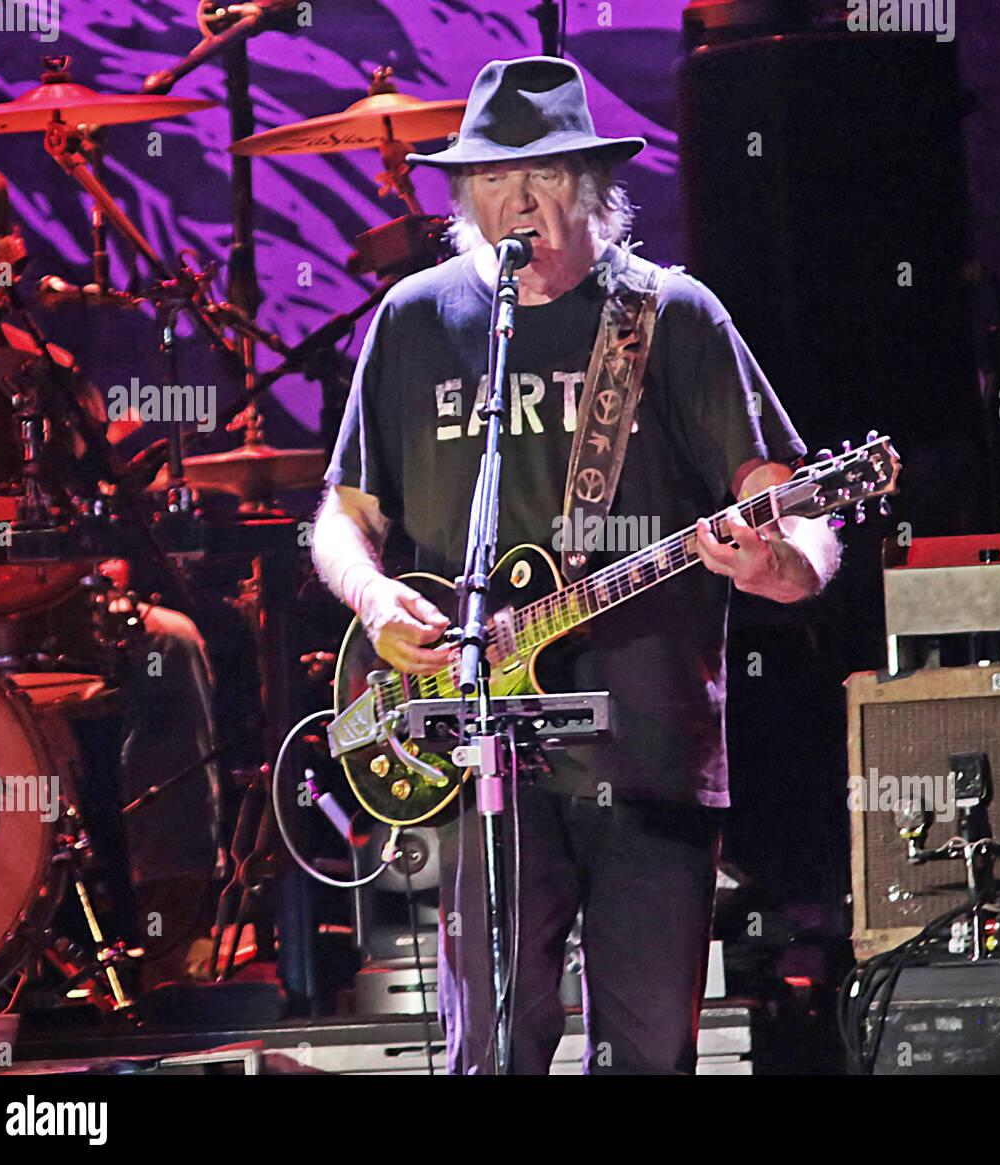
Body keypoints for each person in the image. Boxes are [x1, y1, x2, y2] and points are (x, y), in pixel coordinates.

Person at [313, 56, 839, 1074]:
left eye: (548, 176)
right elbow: (340, 515)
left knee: (650, 1050)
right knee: (496, 1046)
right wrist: (376, 597)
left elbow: (799, 507)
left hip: (647, 745)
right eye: (497, 179)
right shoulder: (415, 319)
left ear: (594, 189)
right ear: (466, 195)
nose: (521, 201)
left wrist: (777, 566)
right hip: (478, 748)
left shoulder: (671, 314)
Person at [0, 156, 223, 990]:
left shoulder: (41, 365)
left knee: (174, 643)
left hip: (39, 601)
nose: (10, 262)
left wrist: (109, 490)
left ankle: (169, 916)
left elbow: (81, 504)